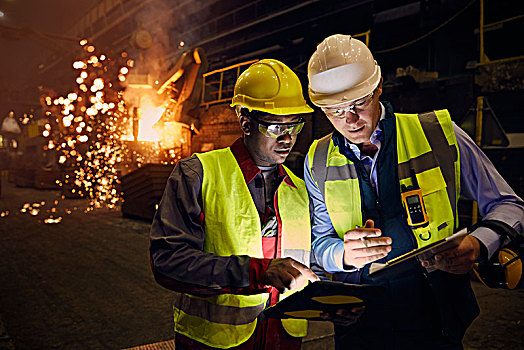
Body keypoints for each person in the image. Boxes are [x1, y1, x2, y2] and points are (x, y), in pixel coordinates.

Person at [304, 34, 524, 349]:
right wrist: (342, 254)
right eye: (334, 111)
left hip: (434, 318)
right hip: (359, 326)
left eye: (358, 103)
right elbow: (320, 244)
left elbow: (509, 205)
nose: (349, 120)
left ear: (378, 87)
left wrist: (478, 244)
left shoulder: (438, 134)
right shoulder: (317, 159)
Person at [150, 59, 362, 350]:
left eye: (295, 125)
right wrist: (256, 273)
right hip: (215, 344)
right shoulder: (197, 175)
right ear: (245, 123)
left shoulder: (298, 190)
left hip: (283, 341)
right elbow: (168, 261)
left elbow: (305, 268)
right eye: (276, 127)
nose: (288, 138)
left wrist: (327, 302)